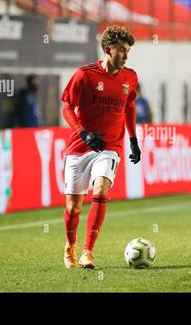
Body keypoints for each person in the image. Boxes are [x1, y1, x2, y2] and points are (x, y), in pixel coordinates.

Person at [60, 26, 141, 269]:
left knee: (101, 189)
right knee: (73, 208)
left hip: (110, 147)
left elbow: (129, 107)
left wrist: (134, 140)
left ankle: (88, 251)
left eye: (128, 52)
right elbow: (66, 106)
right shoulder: (84, 75)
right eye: (122, 51)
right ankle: (70, 245)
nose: (126, 57)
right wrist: (83, 133)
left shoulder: (130, 78)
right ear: (108, 50)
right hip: (80, 148)